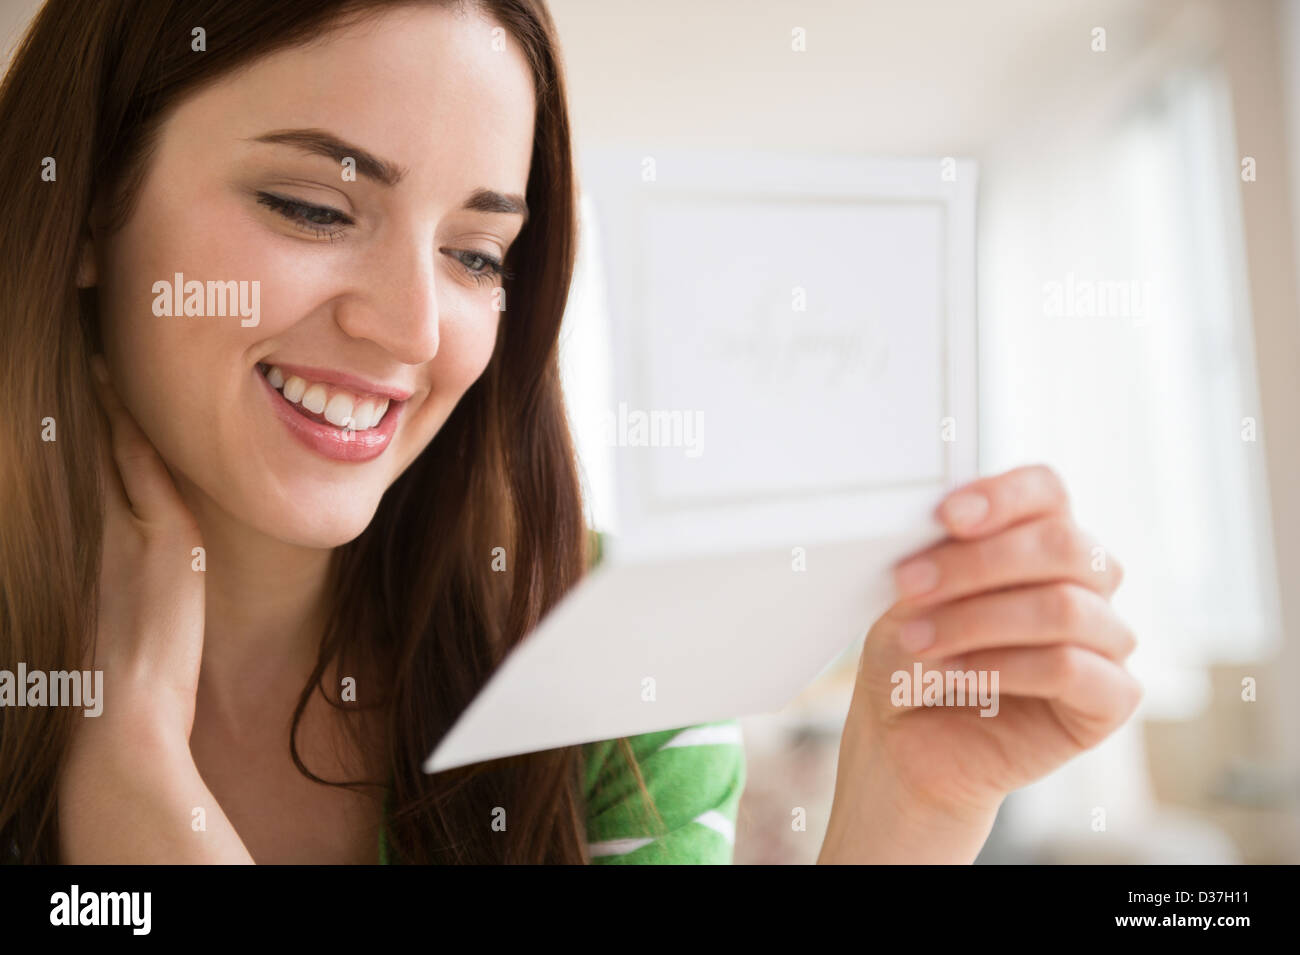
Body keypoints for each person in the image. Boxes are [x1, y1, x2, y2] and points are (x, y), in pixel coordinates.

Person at [0, 0, 1138, 864]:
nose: (411, 328)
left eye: (476, 253)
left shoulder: (604, 649)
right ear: (95, 199)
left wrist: (908, 812)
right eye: (313, 208)